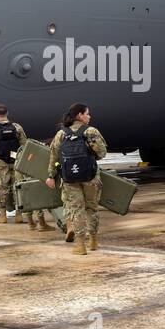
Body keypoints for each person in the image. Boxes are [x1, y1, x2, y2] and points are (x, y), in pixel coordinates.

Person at [47, 103, 107, 255]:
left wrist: (51, 176)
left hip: (69, 178)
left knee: (76, 210)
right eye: (87, 113)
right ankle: (93, 241)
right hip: (90, 176)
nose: (89, 116)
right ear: (80, 115)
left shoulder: (61, 134)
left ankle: (80, 245)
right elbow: (101, 153)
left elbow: (53, 156)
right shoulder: (91, 131)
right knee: (91, 208)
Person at [0, 104, 49, 228]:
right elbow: (25, 146)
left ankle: (3, 216)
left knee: (2, 188)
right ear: (7, 113)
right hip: (16, 161)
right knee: (18, 187)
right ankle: (19, 215)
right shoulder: (17, 127)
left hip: (0, 163)